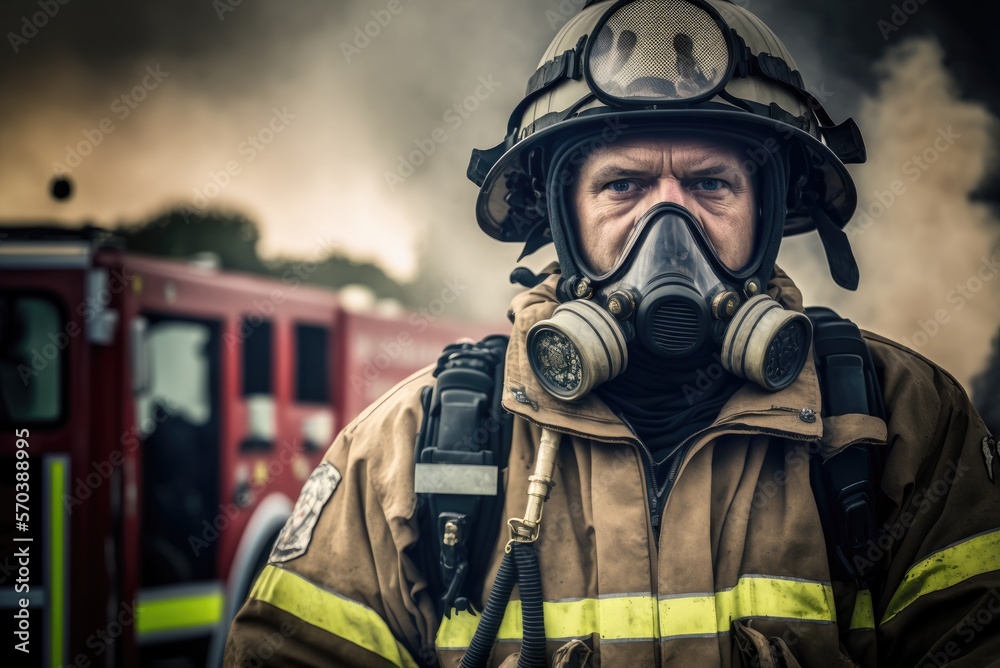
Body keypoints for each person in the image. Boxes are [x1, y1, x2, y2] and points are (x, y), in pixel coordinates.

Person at [224, 1, 1000, 665]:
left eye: (710, 184)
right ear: (563, 218)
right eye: (623, 185)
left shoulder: (899, 424)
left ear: (768, 213)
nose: (670, 226)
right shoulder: (407, 453)